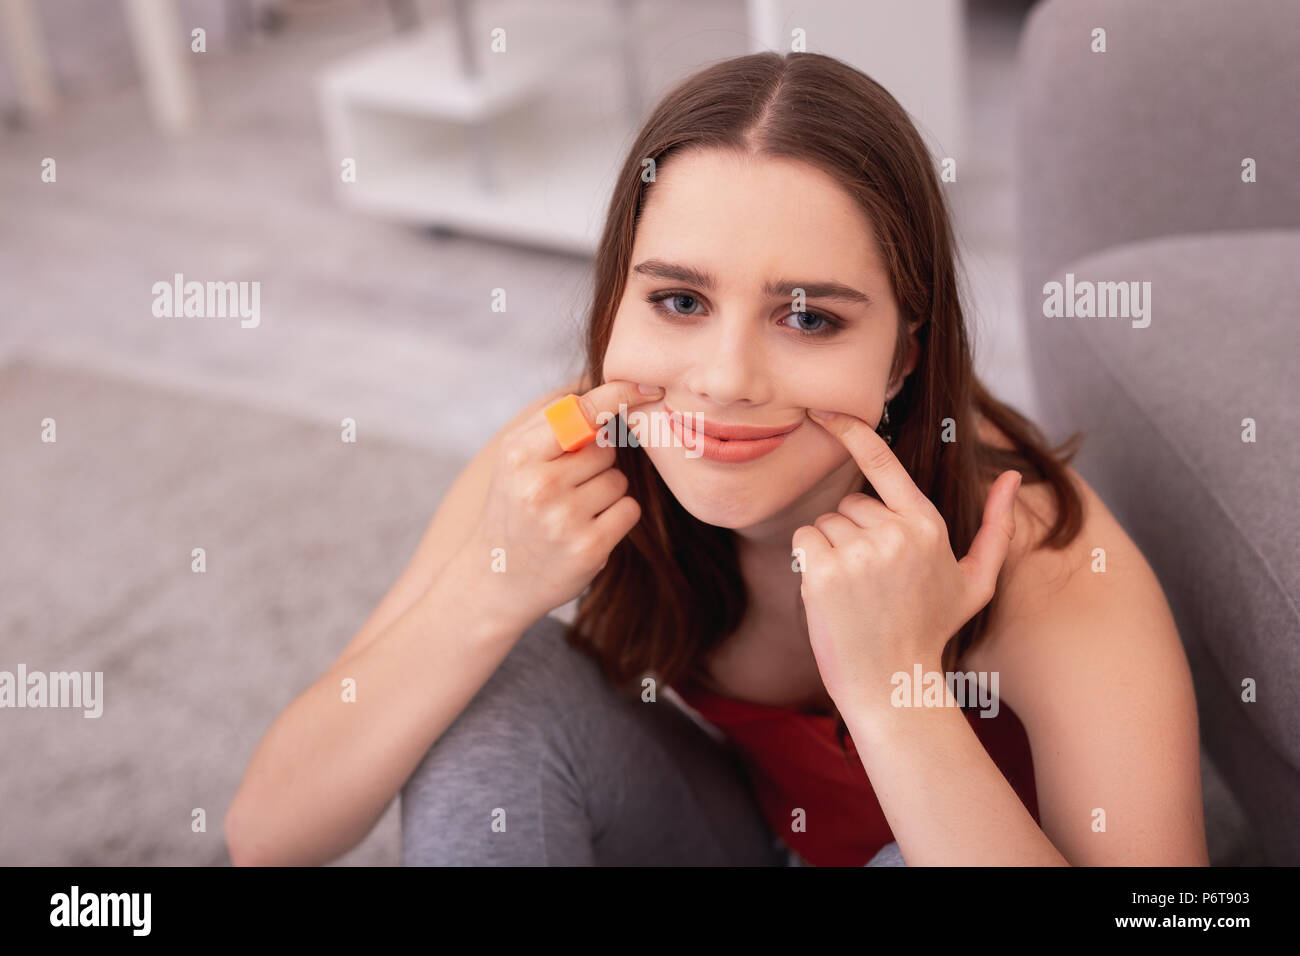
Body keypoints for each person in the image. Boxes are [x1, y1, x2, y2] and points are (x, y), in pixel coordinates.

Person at [224, 51, 1210, 867]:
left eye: (810, 316)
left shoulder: (1036, 551)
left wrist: (894, 688)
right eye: (679, 302)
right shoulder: (562, 462)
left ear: (903, 357)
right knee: (498, 673)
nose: (725, 379)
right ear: (616, 301)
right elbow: (265, 839)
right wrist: (488, 588)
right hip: (733, 836)